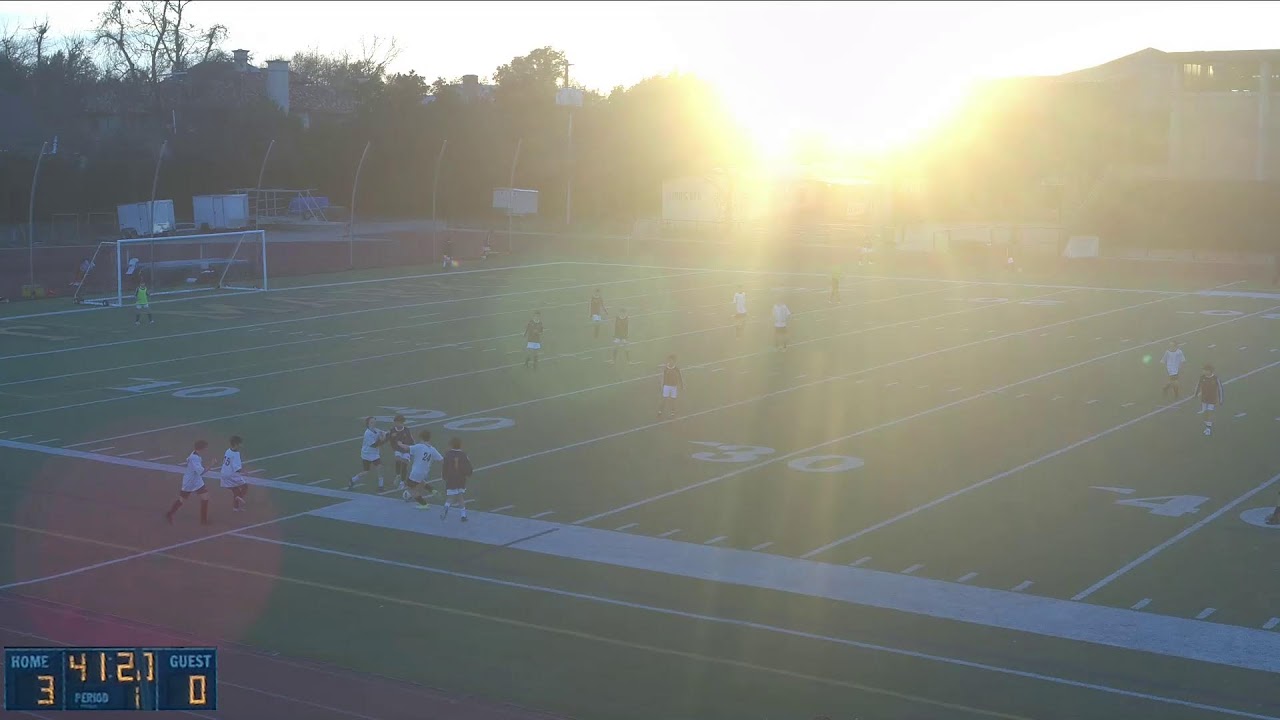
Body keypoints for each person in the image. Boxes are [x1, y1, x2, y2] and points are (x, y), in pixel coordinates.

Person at [166, 440, 210, 526]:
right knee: (182, 500)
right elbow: (201, 472)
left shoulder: (194, 455)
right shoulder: (195, 458)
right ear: (202, 448)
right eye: (205, 448)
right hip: (190, 482)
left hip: (196, 480)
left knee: (205, 497)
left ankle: (203, 520)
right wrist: (210, 466)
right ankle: (170, 514)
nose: (206, 449)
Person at [404, 429, 444, 509]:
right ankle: (432, 490)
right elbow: (442, 460)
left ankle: (424, 504)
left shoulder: (419, 446)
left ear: (421, 437)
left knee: (411, 488)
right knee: (420, 481)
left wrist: (399, 443)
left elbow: (407, 448)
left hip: (416, 472)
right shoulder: (432, 449)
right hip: (425, 472)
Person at [349, 417, 387, 490]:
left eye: (374, 422)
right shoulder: (368, 434)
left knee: (380, 468)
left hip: (374, 454)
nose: (374, 423)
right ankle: (353, 480)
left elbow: (383, 433)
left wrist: (386, 434)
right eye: (372, 422)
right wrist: (383, 439)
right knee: (366, 472)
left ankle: (381, 486)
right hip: (367, 454)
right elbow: (374, 445)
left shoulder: (376, 430)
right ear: (368, 424)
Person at [440, 437, 473, 522]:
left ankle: (446, 506)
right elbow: (468, 466)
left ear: (451, 445)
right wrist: (469, 473)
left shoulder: (447, 454)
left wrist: (444, 476)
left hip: (451, 478)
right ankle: (463, 515)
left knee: (450, 497)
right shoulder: (463, 454)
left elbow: (445, 467)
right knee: (460, 496)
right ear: (460, 445)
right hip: (461, 479)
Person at [220, 435, 249, 511]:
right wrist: (244, 472)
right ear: (236, 444)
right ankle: (238, 498)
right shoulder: (236, 454)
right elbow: (237, 468)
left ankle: (235, 507)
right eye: (240, 443)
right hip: (231, 475)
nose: (241, 445)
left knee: (235, 490)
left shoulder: (228, 450)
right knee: (245, 486)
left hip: (224, 473)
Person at [386, 414, 414, 489]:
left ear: (402, 423)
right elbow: (389, 440)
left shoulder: (407, 430)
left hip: (406, 450)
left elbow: (411, 441)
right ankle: (398, 475)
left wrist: (411, 449)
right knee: (398, 459)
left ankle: (402, 481)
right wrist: (391, 441)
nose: (397, 424)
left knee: (404, 464)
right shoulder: (392, 430)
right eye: (396, 422)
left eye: (399, 422)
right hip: (398, 449)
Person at [1195, 364, 1223, 436]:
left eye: (1205, 370)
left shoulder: (1215, 378)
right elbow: (1198, 386)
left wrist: (1221, 399)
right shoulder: (1202, 377)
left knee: (1210, 413)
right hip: (1204, 399)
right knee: (1205, 413)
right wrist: (1195, 394)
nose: (1203, 371)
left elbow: (1220, 389)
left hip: (1212, 399)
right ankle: (1207, 422)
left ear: (1209, 371)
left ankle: (1208, 428)